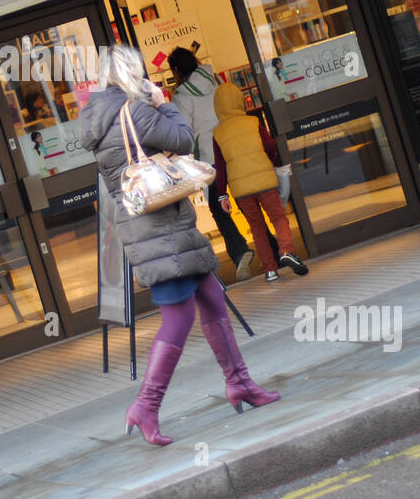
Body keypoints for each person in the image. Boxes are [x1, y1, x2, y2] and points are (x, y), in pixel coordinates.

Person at [80, 45, 280, 446]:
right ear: (131, 74)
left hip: (156, 227)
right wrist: (162, 102)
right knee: (179, 316)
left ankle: (240, 383)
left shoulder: (99, 118)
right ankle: (145, 406)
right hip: (162, 231)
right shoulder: (135, 111)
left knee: (212, 300)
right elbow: (185, 139)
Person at [166, 47, 255, 280]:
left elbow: (184, 132)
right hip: (231, 146)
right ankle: (272, 246)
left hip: (209, 157)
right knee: (246, 199)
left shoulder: (181, 96)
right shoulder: (215, 79)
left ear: (176, 70)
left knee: (218, 207)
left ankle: (240, 251)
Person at [210, 82, 309, 282]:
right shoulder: (253, 122)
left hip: (241, 190)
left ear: (217, 106)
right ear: (240, 101)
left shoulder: (218, 134)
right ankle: (286, 251)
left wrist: (222, 195)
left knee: (257, 228)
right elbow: (270, 145)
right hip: (265, 181)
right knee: (278, 218)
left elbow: (220, 168)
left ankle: (270, 270)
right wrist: (269, 161)